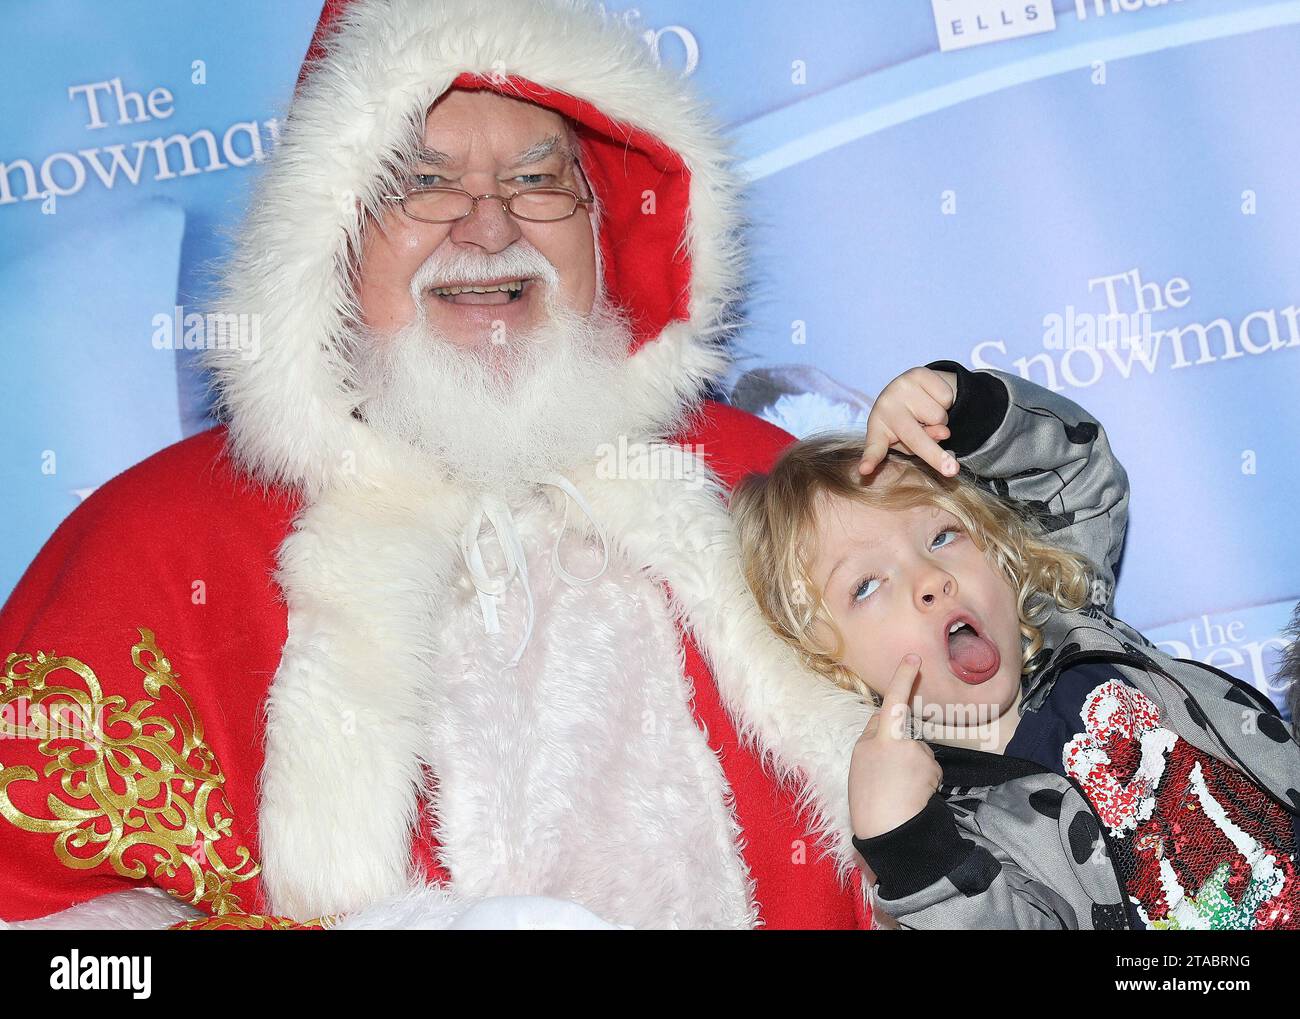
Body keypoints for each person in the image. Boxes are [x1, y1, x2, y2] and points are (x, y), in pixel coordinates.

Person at [0, 0, 881, 929]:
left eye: (539, 181)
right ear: (327, 241)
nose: (489, 230)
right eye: (421, 184)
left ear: (606, 229)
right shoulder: (153, 552)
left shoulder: (779, 502)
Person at [731, 360, 1300, 929]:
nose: (931, 578)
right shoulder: (953, 832)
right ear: (822, 666)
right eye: (868, 585)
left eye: (942, 535)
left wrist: (960, 410)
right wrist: (911, 851)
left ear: (998, 548)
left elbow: (1074, 473)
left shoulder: (1073, 621)